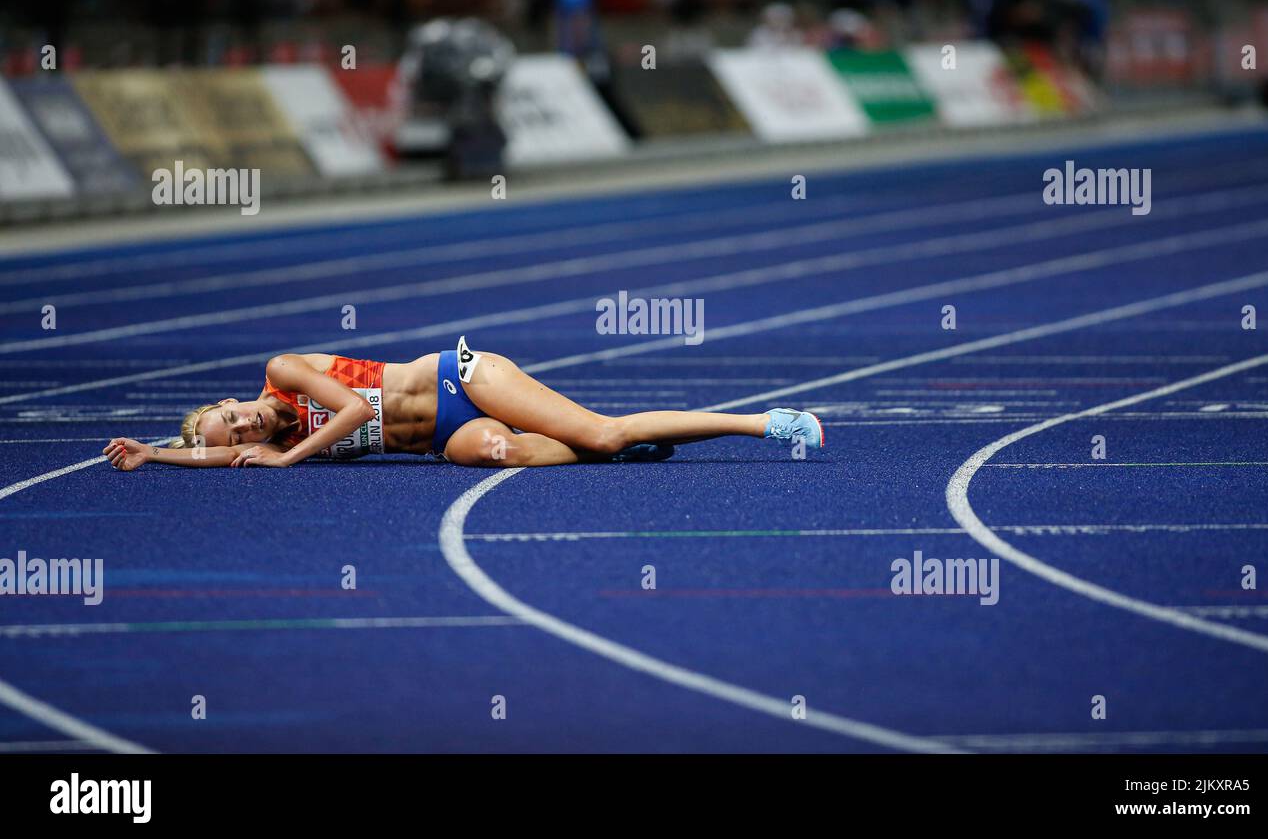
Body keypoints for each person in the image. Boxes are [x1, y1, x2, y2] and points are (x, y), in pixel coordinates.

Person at [102, 337, 823, 470]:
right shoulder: (242, 442)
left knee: (603, 435)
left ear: (237, 399)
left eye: (232, 416)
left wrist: (286, 459)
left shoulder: (283, 373)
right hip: (447, 439)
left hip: (461, 381)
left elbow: (353, 412)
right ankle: (631, 447)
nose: (244, 427)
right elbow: (224, 456)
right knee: (502, 452)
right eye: (231, 434)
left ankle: (762, 421)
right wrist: (155, 452)